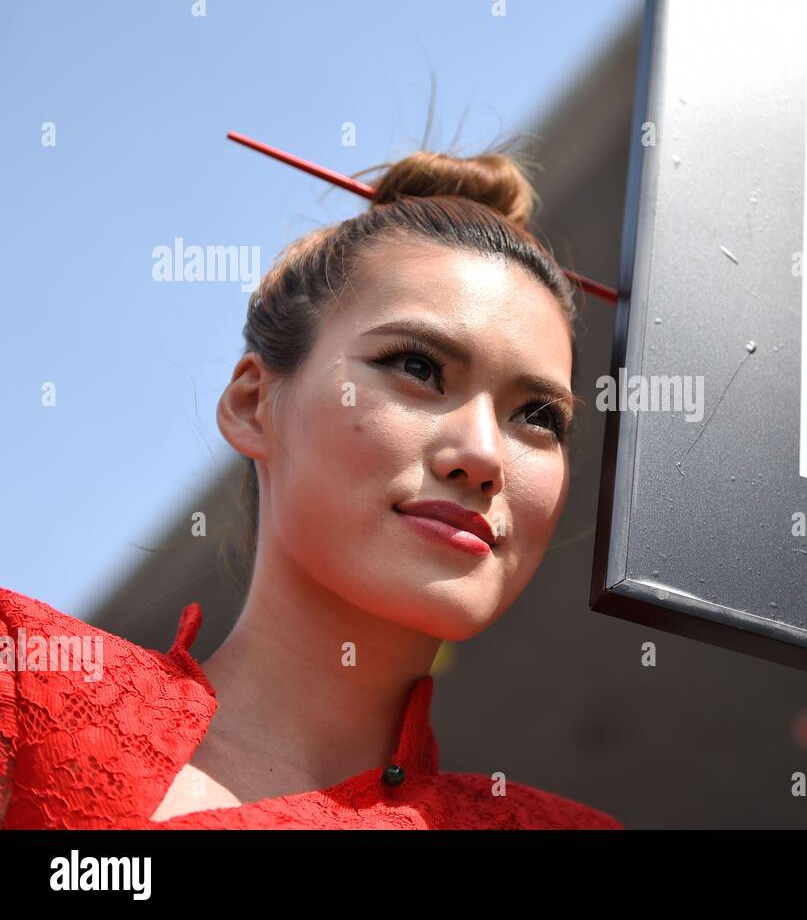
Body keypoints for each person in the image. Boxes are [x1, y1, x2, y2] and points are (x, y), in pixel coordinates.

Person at [0, 145, 622, 829]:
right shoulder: (25, 681)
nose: (481, 456)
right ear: (251, 403)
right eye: (417, 366)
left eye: (536, 416)